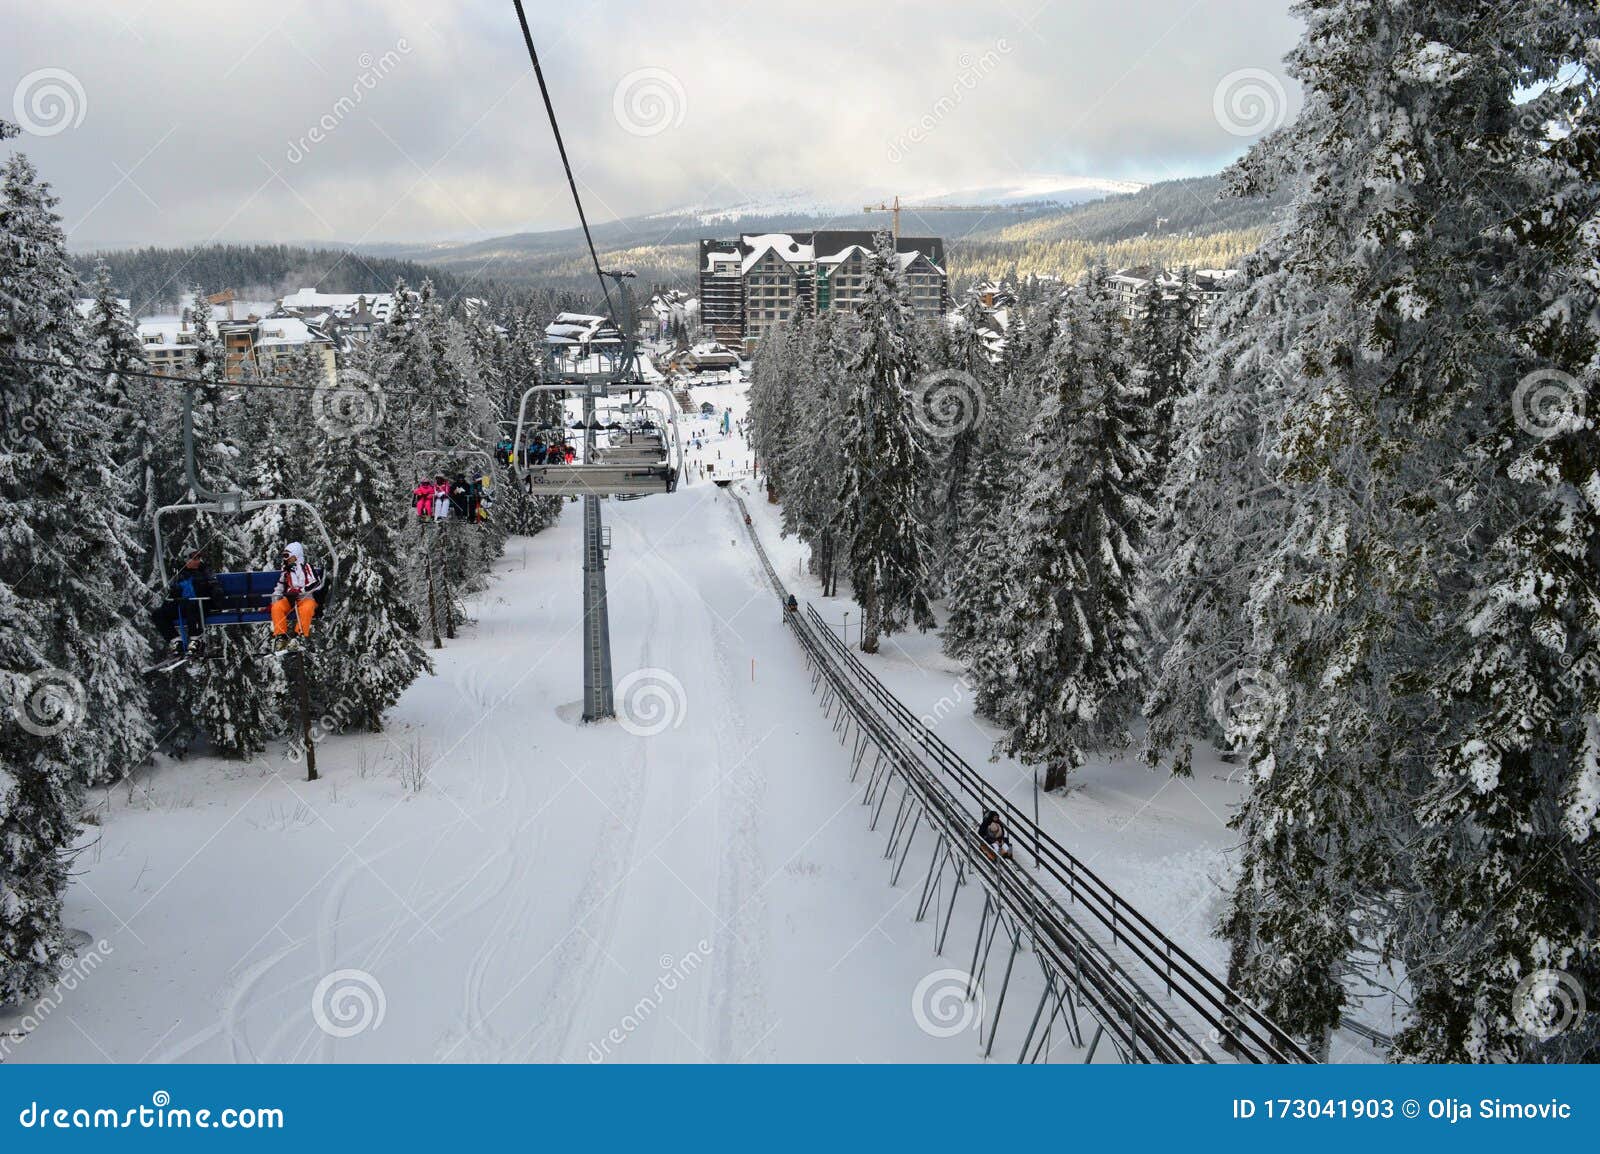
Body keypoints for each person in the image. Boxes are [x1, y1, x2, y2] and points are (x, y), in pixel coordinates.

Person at [153, 552, 219, 656]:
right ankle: (176, 641)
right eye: (194, 558)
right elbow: (173, 591)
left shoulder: (204, 571)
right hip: (182, 604)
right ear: (186, 560)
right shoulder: (179, 573)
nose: (198, 560)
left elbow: (213, 584)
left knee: (191, 607)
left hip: (200, 604)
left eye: (199, 558)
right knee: (158, 614)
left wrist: (213, 590)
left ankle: (195, 640)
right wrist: (174, 591)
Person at [270, 541, 321, 652]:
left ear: (296, 555)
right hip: (290, 599)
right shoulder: (286, 571)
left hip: (305, 597)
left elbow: (316, 583)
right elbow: (280, 586)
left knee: (306, 608)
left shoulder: (306, 567)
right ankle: (281, 637)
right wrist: (276, 597)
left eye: (287, 556)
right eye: (284, 556)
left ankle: (300, 636)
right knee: (277, 607)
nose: (285, 559)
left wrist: (301, 591)